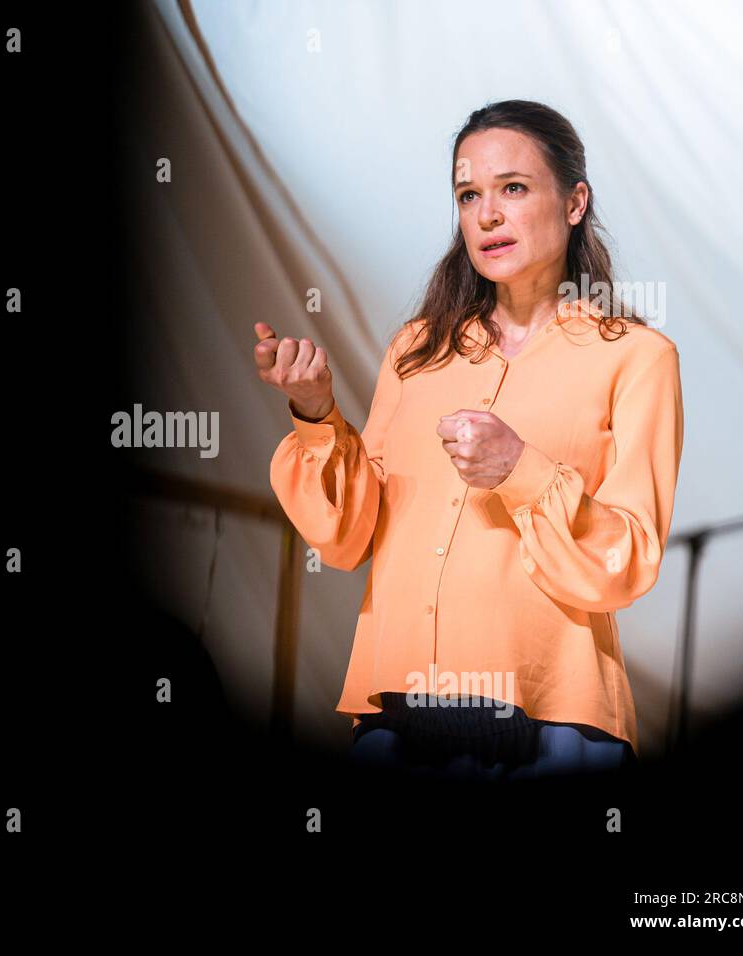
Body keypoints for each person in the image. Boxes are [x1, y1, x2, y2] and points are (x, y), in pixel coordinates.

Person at [253, 100, 683, 779]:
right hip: (398, 718)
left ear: (575, 202)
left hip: (554, 726)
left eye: (513, 188)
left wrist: (523, 469)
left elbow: (628, 559)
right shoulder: (416, 349)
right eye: (468, 195)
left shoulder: (637, 357)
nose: (486, 214)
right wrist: (315, 414)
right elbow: (348, 535)